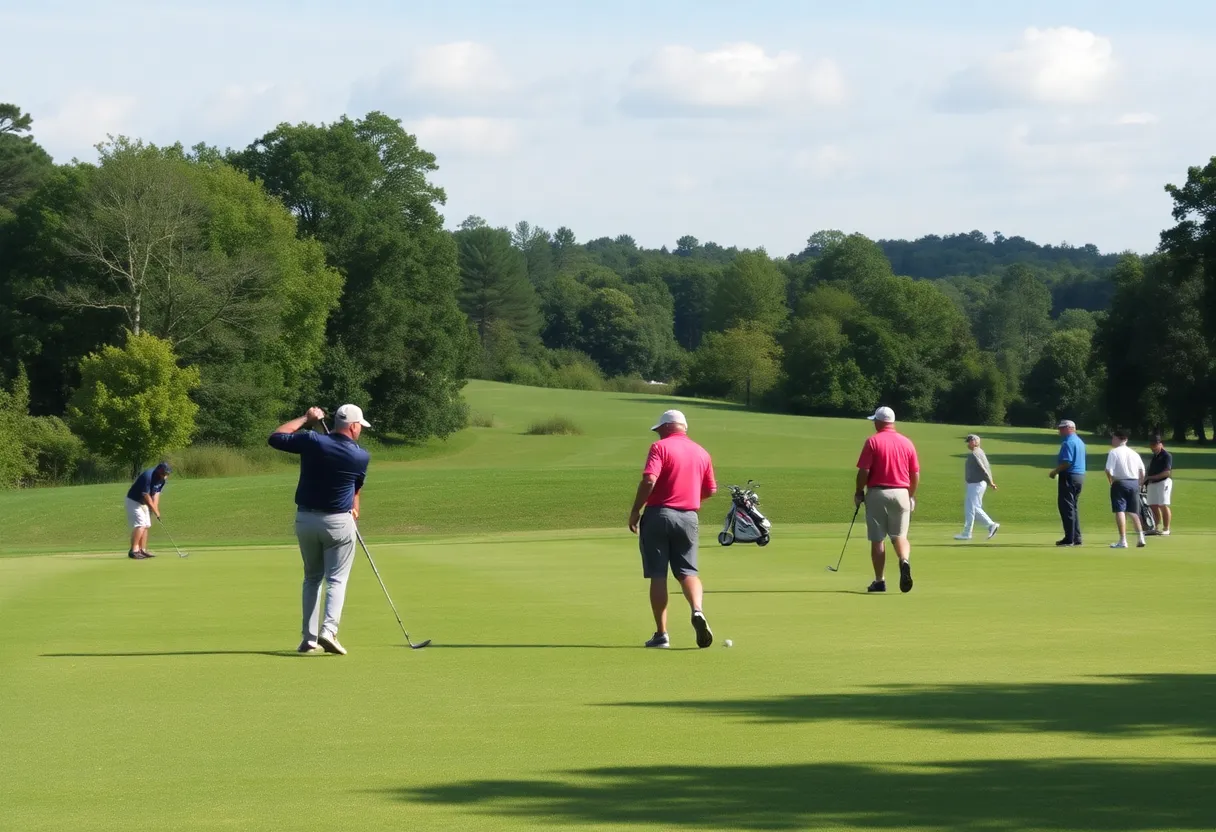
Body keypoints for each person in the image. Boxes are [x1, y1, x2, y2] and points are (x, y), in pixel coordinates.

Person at [268, 404, 371, 655]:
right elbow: (356, 489)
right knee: (336, 579)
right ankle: (329, 631)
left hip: (305, 520)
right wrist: (355, 508)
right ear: (354, 426)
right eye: (360, 427)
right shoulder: (360, 455)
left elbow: (276, 437)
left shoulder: (313, 441)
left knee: (312, 579)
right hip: (338, 522)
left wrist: (307, 418)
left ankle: (308, 638)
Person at [628, 409, 717, 649]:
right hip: (689, 517)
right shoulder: (701, 452)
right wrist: (687, 498)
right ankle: (697, 610)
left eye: (659, 430)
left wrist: (636, 510)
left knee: (658, 574)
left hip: (658, 515)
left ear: (667, 427)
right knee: (688, 572)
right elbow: (710, 490)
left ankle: (661, 634)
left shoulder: (660, 448)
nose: (658, 435)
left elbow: (649, 480)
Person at [855, 406, 919, 593]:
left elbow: (864, 471)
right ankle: (904, 560)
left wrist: (859, 491)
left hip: (878, 493)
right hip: (901, 493)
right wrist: (911, 495)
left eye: (875, 420)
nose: (873, 423)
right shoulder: (907, 442)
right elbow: (915, 473)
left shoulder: (873, 441)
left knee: (878, 539)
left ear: (880, 422)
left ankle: (879, 580)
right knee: (900, 536)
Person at [1104, 429, 1147, 549]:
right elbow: (1142, 471)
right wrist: (1140, 484)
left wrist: (1110, 481)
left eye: (1113, 438)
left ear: (1118, 439)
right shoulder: (1134, 453)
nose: (1112, 440)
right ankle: (1141, 537)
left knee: (1120, 510)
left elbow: (1108, 470)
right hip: (1134, 482)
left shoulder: (1114, 452)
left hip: (1120, 482)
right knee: (1133, 511)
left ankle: (1123, 540)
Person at [955, 434, 1000, 541]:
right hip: (976, 484)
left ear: (976, 441)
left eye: (970, 441)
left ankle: (969, 532)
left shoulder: (976, 453)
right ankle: (989, 526)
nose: (968, 443)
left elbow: (984, 468)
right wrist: (990, 482)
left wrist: (991, 482)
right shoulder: (979, 452)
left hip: (976, 484)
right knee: (973, 508)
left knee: (971, 509)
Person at [1049, 419, 1087, 546]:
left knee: (1066, 507)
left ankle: (1069, 538)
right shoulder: (1079, 442)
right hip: (1079, 476)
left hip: (1069, 476)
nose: (1059, 431)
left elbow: (1067, 462)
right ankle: (1076, 537)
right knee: (1073, 507)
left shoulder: (1068, 442)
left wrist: (1055, 472)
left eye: (1062, 428)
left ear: (1069, 428)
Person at [124, 462, 172, 559]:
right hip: (134, 501)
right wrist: (154, 509)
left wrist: (156, 509)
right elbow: (146, 495)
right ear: (159, 471)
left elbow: (156, 494)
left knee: (146, 525)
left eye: (167, 474)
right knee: (140, 524)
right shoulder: (148, 476)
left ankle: (142, 550)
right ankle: (134, 551)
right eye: (164, 473)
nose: (166, 476)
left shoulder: (162, 480)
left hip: (144, 503)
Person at [1144, 435, 1173, 536]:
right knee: (1153, 505)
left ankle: (1166, 528)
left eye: (1155, 444)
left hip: (1163, 482)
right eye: (1151, 445)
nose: (1153, 447)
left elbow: (1166, 473)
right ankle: (1156, 527)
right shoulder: (1154, 457)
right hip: (1153, 483)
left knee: (1163, 505)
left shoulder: (1166, 456)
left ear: (1160, 444)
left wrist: (1151, 478)